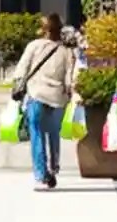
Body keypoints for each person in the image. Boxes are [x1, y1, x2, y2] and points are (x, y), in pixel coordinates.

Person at [15, 13, 75, 190]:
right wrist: (70, 94)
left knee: (36, 132)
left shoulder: (34, 46)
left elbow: (21, 70)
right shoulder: (66, 52)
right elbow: (69, 78)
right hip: (57, 97)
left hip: (37, 94)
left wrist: (18, 87)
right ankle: (53, 166)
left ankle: (41, 174)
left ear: (43, 29)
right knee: (53, 133)